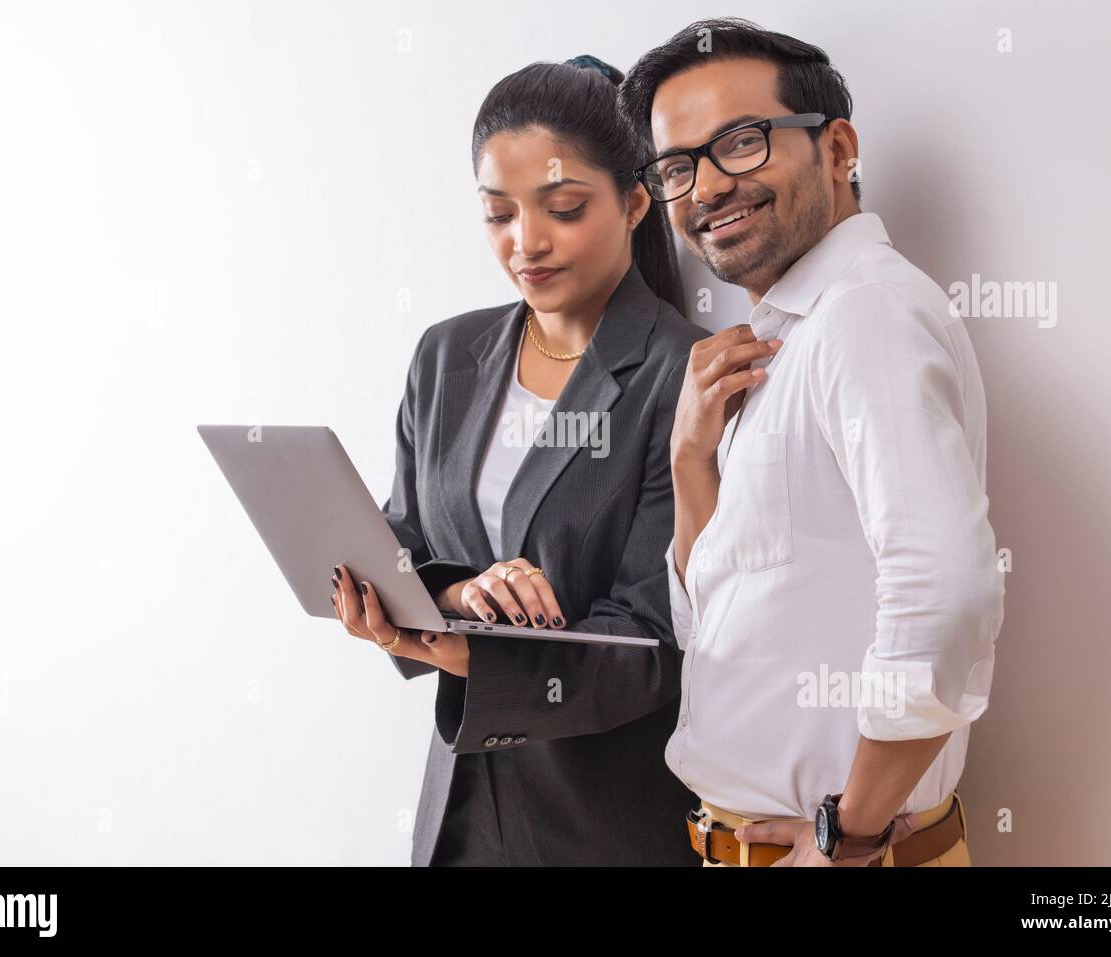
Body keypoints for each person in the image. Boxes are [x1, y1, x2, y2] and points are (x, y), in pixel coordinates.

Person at [618, 18, 1005, 866]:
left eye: (742, 143)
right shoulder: (791, 334)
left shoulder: (865, 313)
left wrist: (847, 836)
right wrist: (691, 460)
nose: (706, 187)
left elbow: (949, 594)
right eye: (678, 166)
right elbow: (715, 623)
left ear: (837, 149)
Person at [330, 55, 708, 865]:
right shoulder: (447, 354)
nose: (525, 243)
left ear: (636, 201)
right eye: (498, 214)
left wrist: (480, 652)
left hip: (606, 822)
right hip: (462, 812)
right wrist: (448, 595)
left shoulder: (685, 374)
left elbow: (658, 641)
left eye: (563, 209)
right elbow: (406, 537)